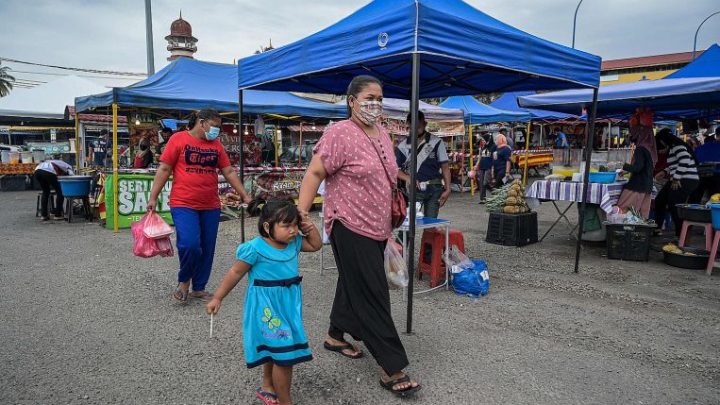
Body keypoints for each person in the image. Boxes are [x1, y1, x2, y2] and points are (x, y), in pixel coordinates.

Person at [297, 75, 421, 397]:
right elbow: (314, 173)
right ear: (352, 100)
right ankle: (392, 366)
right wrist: (301, 213)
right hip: (349, 224)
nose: (375, 104)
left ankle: (336, 335)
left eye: (380, 98)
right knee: (373, 291)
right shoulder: (339, 134)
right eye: (369, 97)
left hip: (378, 225)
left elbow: (388, 172)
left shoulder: (382, 132)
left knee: (353, 280)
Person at [206, 201, 321, 405]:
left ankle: (268, 385)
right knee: (284, 356)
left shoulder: (294, 243)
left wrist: (308, 226)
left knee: (274, 348)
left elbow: (315, 245)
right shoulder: (254, 249)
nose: (293, 230)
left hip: (288, 306)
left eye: (295, 224)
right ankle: (286, 401)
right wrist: (217, 297)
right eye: (287, 225)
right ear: (268, 227)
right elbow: (235, 272)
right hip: (266, 309)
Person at [147, 108, 252, 303]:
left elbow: (228, 171)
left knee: (207, 246)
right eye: (214, 126)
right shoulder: (178, 139)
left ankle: (199, 287)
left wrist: (244, 195)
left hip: (210, 204)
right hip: (183, 203)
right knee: (190, 244)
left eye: (219, 128)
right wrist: (153, 197)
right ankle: (184, 280)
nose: (217, 131)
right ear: (201, 122)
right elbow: (164, 168)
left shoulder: (216, 145)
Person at [395, 111, 451, 218]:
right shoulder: (403, 146)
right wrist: (407, 178)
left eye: (419, 127)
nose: (416, 131)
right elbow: (394, 169)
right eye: (412, 128)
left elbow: (445, 167)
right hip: (413, 190)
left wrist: (448, 189)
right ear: (408, 125)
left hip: (434, 188)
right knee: (407, 225)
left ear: (425, 124)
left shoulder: (436, 142)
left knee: (430, 225)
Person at [653, 128, 699, 236]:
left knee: (674, 205)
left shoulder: (677, 146)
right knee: (660, 200)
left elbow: (685, 160)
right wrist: (665, 171)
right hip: (679, 178)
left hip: (687, 179)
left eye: (659, 147)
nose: (659, 151)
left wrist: (676, 178)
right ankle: (657, 228)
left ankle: (681, 234)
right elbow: (676, 164)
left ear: (663, 142)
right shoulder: (673, 148)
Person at [616, 119, 658, 218]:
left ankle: (623, 232)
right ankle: (640, 233)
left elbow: (638, 168)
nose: (631, 135)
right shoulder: (648, 148)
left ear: (639, 134)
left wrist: (622, 164)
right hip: (647, 186)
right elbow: (644, 167)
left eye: (633, 132)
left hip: (638, 186)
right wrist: (626, 171)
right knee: (641, 215)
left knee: (623, 209)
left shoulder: (640, 149)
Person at [468, 133, 494, 203]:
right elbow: (480, 157)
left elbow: (494, 158)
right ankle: (482, 199)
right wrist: (476, 165)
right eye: (482, 140)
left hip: (489, 166)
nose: (482, 141)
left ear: (488, 139)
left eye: (483, 140)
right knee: (481, 183)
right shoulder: (482, 147)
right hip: (482, 166)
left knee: (486, 182)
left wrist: (493, 168)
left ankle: (494, 191)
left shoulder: (493, 147)